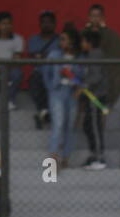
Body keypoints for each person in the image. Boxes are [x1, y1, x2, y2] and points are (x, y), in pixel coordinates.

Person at [43, 26, 79, 168]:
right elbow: (46, 73)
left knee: (70, 125)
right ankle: (53, 158)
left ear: (72, 42)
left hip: (72, 92)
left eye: (64, 39)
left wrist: (79, 84)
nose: (61, 42)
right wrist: (51, 87)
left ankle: (65, 157)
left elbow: (83, 75)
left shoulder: (79, 57)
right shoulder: (54, 55)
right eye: (60, 39)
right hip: (57, 92)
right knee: (58, 123)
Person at [85, 4, 120, 109]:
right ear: (89, 17)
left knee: (101, 108)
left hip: (104, 81)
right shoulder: (83, 34)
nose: (95, 19)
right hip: (86, 78)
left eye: (98, 16)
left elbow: (118, 56)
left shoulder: (110, 35)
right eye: (92, 16)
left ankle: (101, 125)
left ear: (102, 18)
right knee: (84, 109)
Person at [77, 28, 109, 170]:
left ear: (89, 42)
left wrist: (83, 86)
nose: (81, 44)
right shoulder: (92, 55)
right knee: (87, 125)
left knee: (95, 126)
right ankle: (93, 154)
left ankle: (99, 157)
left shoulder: (95, 55)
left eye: (83, 41)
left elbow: (96, 77)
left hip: (96, 97)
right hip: (91, 96)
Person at [24, 11, 59, 129]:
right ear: (39, 24)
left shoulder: (60, 39)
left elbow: (61, 56)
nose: (46, 25)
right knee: (34, 80)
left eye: (49, 22)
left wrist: (43, 56)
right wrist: (49, 55)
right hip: (39, 72)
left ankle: (43, 114)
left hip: (56, 72)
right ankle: (44, 111)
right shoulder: (33, 39)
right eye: (43, 22)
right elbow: (34, 57)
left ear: (54, 24)